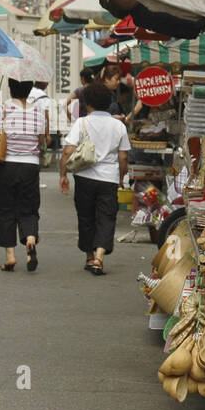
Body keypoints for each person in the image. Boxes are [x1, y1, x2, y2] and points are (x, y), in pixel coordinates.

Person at [59, 82, 131, 276]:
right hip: (109, 178)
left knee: (86, 217)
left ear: (87, 103)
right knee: (106, 217)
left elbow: (67, 151)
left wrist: (63, 174)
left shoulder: (81, 123)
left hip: (84, 177)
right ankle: (99, 257)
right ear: (108, 103)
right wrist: (121, 177)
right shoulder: (118, 126)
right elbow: (123, 157)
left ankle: (89, 256)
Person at [0, 78, 47, 272]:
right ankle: (30, 240)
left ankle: (10, 256)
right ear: (30, 89)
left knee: (5, 209)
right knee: (29, 208)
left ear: (10, 88)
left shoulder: (3, 108)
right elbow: (41, 138)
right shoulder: (38, 111)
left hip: (7, 165)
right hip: (30, 166)